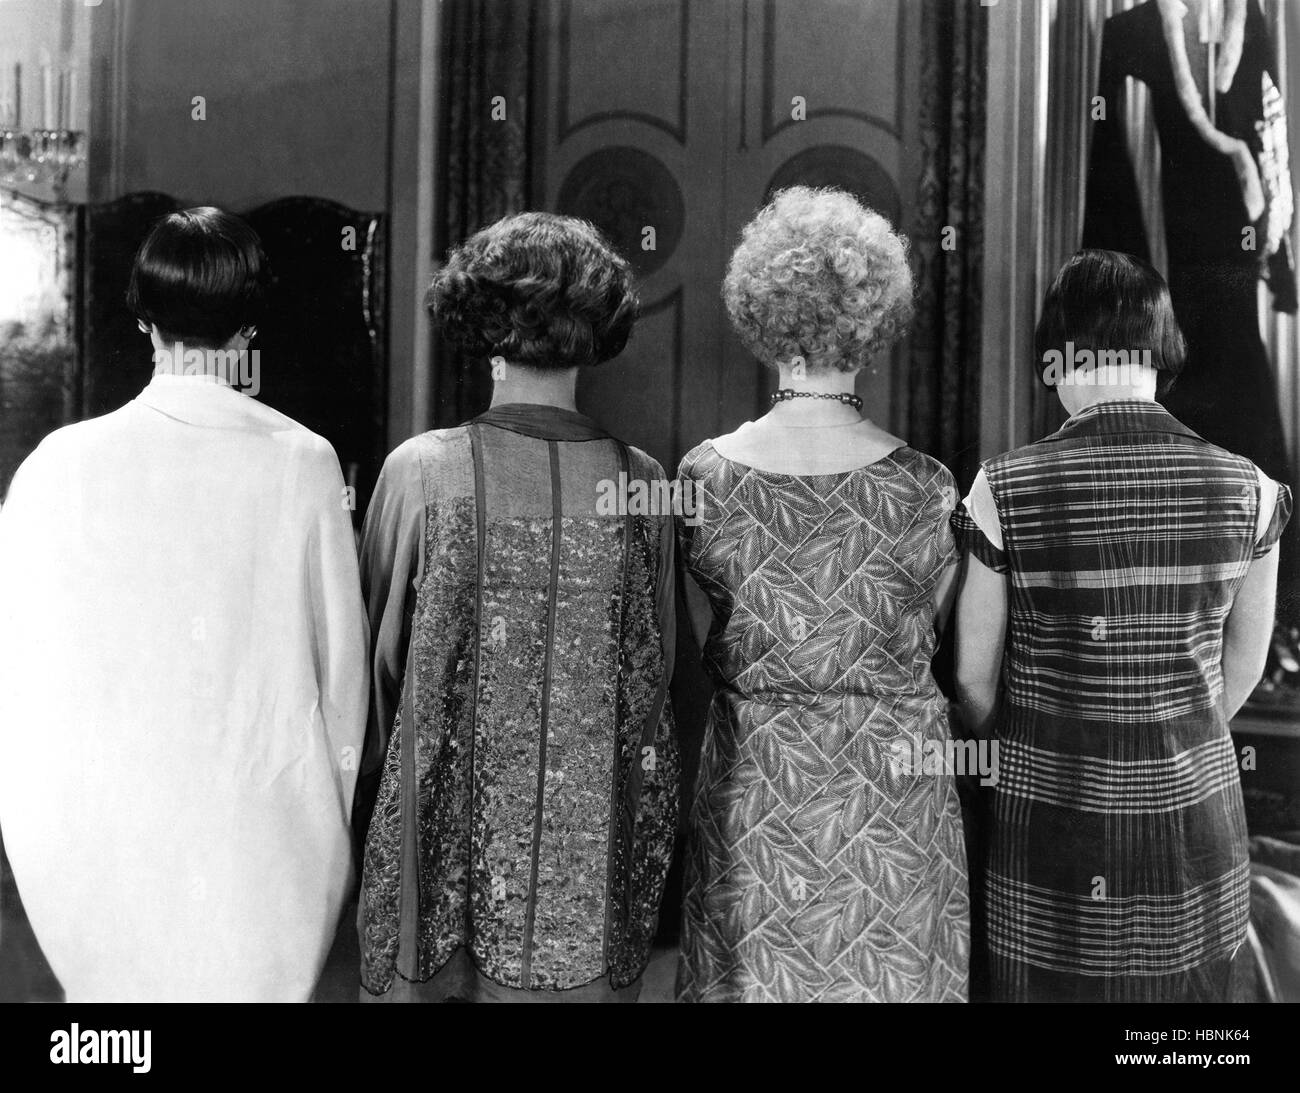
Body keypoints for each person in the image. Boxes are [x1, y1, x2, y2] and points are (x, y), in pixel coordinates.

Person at [0, 207, 368, 1002]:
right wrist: (319, 835)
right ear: (246, 332)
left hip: (99, 841)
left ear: (144, 321)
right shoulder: (303, 462)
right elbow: (343, 680)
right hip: (260, 844)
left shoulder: (55, 467)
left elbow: (18, 678)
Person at [355, 211, 679, 1003]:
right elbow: (655, 679)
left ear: (482, 323)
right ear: (598, 327)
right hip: (591, 869)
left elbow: (381, 671)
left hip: (437, 853)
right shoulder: (643, 483)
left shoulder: (421, 471)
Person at [952, 248, 1290, 1002]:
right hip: (1194, 818)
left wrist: (1043, 747)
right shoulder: (1254, 490)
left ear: (1061, 353)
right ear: (1159, 353)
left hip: (1048, 820)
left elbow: (973, 680)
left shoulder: (1000, 486)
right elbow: (1241, 671)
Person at [675, 187, 970, 1003]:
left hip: (756, 799)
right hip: (894, 810)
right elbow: (929, 635)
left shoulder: (704, 477)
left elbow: (709, 642)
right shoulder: (927, 487)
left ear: (761, 314)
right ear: (875, 324)